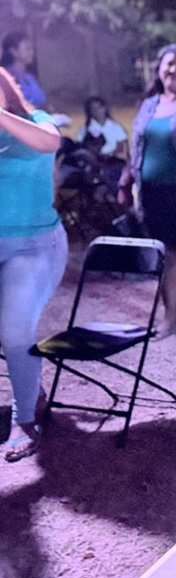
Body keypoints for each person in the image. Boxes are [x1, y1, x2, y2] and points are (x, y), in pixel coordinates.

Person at [117, 45, 176, 337]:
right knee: (170, 255)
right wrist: (126, 181)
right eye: (170, 64)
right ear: (159, 68)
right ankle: (171, 318)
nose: (174, 71)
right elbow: (137, 147)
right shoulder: (150, 102)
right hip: (153, 193)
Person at [0, 69, 68, 462]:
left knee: (13, 331)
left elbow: (49, 142)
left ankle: (24, 418)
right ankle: (31, 388)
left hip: (35, 247)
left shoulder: (37, 121)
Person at [1, 31, 47, 109]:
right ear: (13, 51)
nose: (31, 52)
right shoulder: (7, 78)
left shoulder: (30, 76)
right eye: (27, 48)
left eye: (32, 49)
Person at [76, 96, 129, 160]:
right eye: (93, 109)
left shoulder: (115, 127)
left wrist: (111, 155)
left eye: (99, 107)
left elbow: (122, 146)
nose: (97, 111)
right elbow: (80, 147)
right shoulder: (85, 129)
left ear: (105, 108)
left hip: (113, 160)